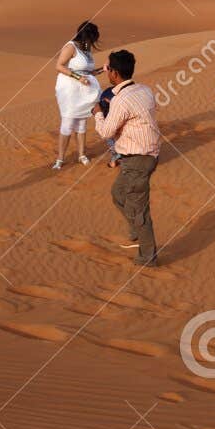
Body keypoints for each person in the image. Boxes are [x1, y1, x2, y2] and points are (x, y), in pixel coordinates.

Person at [91, 49, 160, 267]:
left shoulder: (121, 100)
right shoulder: (144, 90)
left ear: (114, 73)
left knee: (139, 209)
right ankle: (137, 230)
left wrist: (98, 113)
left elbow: (105, 132)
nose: (106, 72)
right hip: (143, 155)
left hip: (139, 158)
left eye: (107, 68)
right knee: (118, 192)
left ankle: (148, 256)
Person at [52, 20, 102, 169]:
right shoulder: (70, 46)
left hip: (84, 90)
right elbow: (59, 66)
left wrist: (101, 70)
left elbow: (88, 72)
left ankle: (81, 154)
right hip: (69, 89)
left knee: (82, 123)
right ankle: (60, 159)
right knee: (67, 123)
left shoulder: (86, 49)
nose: (93, 41)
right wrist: (78, 78)